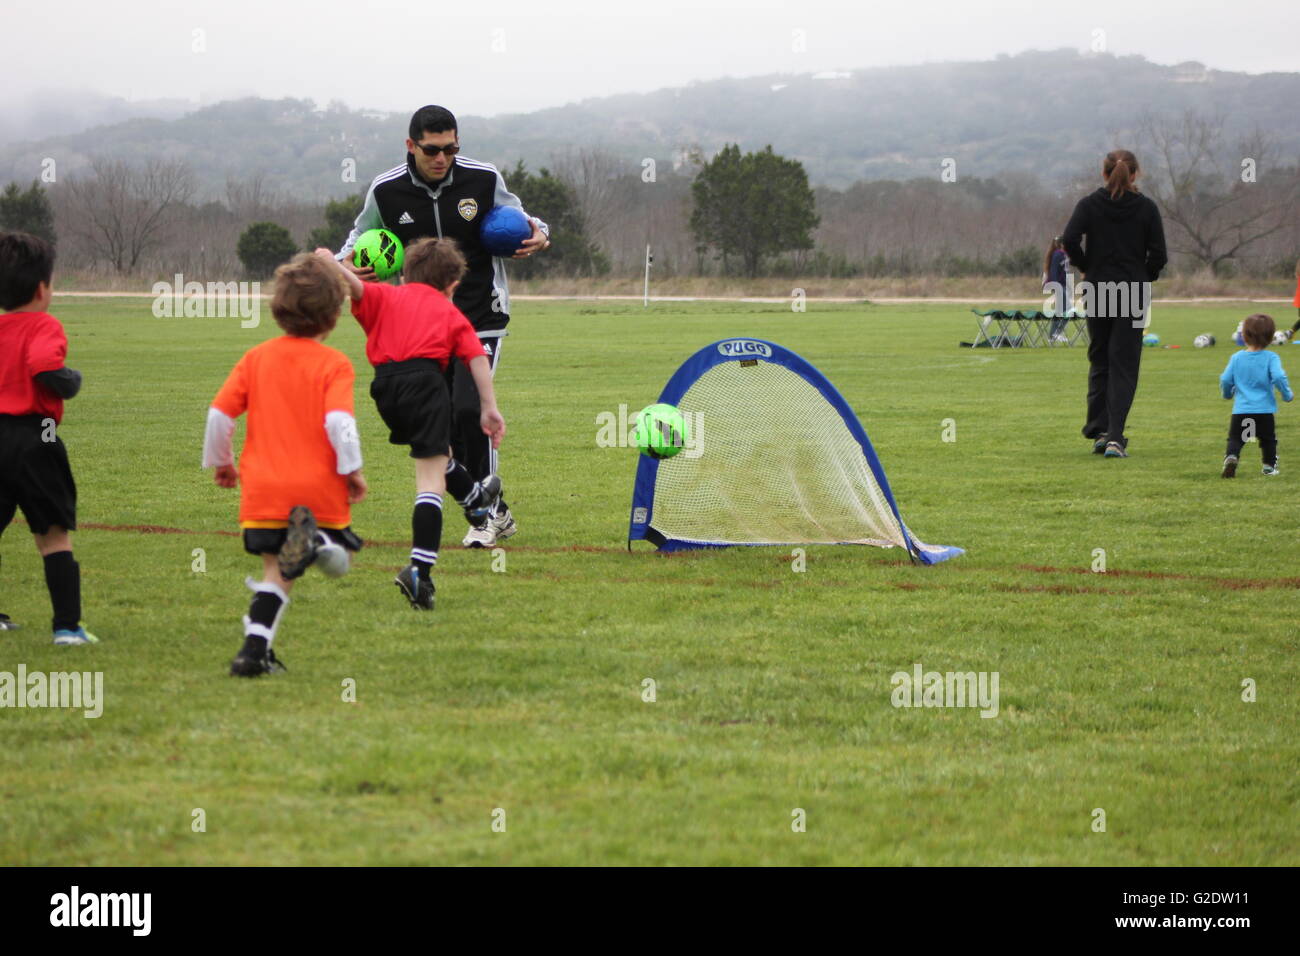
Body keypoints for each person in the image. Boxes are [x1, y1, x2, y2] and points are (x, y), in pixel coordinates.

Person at [338, 104, 547, 548]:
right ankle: (496, 506)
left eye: (452, 148)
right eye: (433, 150)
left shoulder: (483, 179)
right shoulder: (387, 190)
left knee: (472, 409)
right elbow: (356, 241)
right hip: (421, 322)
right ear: (411, 146)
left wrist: (541, 234)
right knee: (447, 422)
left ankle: (485, 517)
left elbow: (529, 220)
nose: (443, 158)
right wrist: (349, 264)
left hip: (479, 316)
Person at [314, 238, 506, 611]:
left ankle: (474, 501)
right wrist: (490, 409)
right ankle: (420, 572)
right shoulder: (452, 313)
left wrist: (328, 260)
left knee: (438, 454)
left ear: (404, 273)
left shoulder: (384, 296)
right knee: (429, 480)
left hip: (385, 389)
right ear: (452, 285)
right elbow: (477, 360)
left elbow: (351, 284)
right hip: (425, 383)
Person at [203, 253, 368, 677]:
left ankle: (254, 651)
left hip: (263, 492)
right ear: (334, 315)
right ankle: (320, 546)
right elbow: (339, 422)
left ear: (279, 309)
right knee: (338, 560)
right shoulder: (333, 364)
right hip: (316, 492)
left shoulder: (256, 358)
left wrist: (221, 463)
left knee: (276, 572)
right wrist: (352, 470)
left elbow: (219, 416)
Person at [0, 232, 97, 645]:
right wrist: (70, 381)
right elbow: (44, 367)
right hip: (35, 436)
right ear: (43, 289)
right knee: (53, 534)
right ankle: (67, 627)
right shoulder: (44, 324)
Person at [1062, 149, 1168, 458]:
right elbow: (1159, 254)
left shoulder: (1089, 205)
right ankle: (1115, 436)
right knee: (1124, 365)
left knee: (1100, 359)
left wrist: (1086, 267)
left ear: (1104, 173)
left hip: (1097, 289)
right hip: (1132, 291)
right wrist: (1143, 275)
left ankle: (1099, 428)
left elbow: (1068, 239)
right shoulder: (1146, 208)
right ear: (1135, 174)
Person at [1220, 313, 1293, 478]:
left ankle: (1232, 457)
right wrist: (1287, 395)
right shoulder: (1271, 357)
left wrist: (1227, 394)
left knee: (1237, 439)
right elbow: (1279, 377)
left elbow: (1225, 379)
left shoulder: (1237, 358)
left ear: (1244, 335)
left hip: (1242, 411)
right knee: (1267, 440)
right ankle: (1268, 467)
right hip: (1264, 411)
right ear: (1270, 337)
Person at [1042, 236, 1072, 342]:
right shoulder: (1057, 255)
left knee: (1065, 311)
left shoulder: (1064, 255)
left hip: (1063, 286)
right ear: (1062, 244)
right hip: (1058, 286)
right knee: (1067, 311)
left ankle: (1054, 335)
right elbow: (1053, 272)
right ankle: (1055, 334)